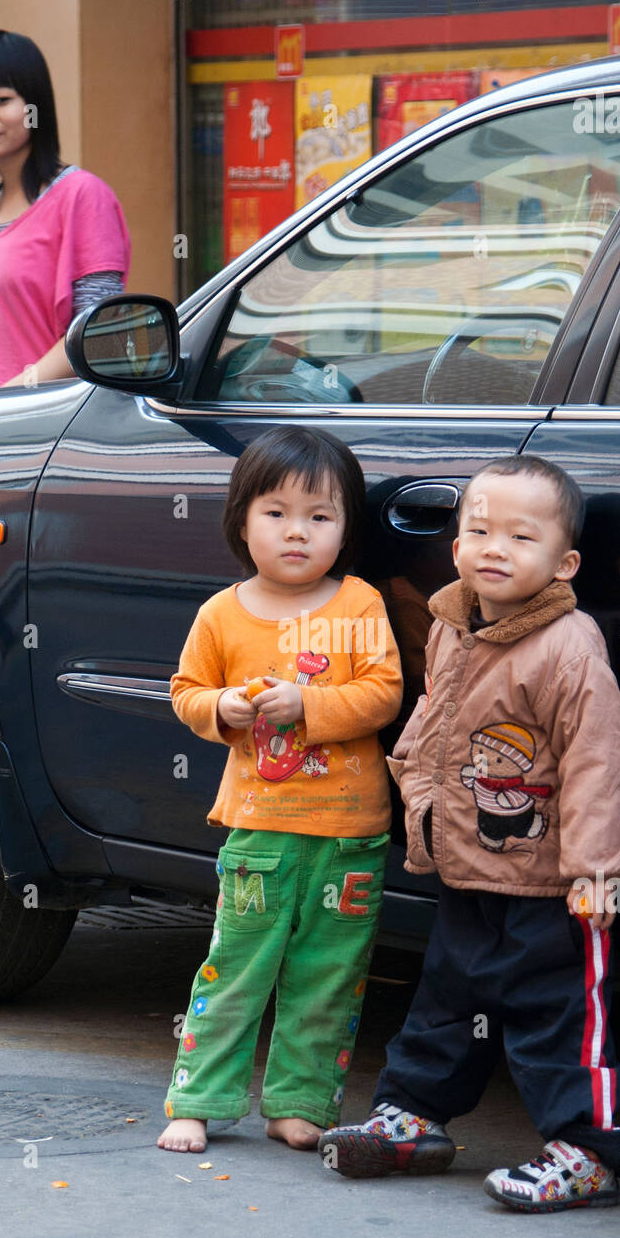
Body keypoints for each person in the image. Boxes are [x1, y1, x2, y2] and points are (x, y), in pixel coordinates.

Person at [319, 455, 620, 1211]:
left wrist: (595, 870)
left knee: (555, 1013)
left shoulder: (569, 646)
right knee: (445, 1000)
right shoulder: (452, 623)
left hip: (551, 880)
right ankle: (414, 1116)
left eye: (520, 537)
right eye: (480, 530)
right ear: (456, 545)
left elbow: (600, 760)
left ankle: (589, 1150)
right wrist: (416, 797)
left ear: (563, 564)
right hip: (470, 864)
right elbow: (430, 721)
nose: (495, 547)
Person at [158, 427, 403, 1154]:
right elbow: (185, 693)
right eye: (276, 513)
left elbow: (385, 694)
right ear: (241, 518)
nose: (297, 532)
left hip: (349, 831)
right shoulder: (222, 614)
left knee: (328, 974)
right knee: (235, 965)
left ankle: (299, 1101)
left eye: (320, 517)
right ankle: (199, 1099)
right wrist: (221, 708)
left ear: (344, 529)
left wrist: (312, 707)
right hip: (260, 833)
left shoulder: (358, 606)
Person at [0, 29, 130, 388]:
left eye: (1, 99)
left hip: (53, 423)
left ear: (34, 108)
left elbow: (98, 331)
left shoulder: (82, 195)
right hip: (2, 419)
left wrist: (16, 395)